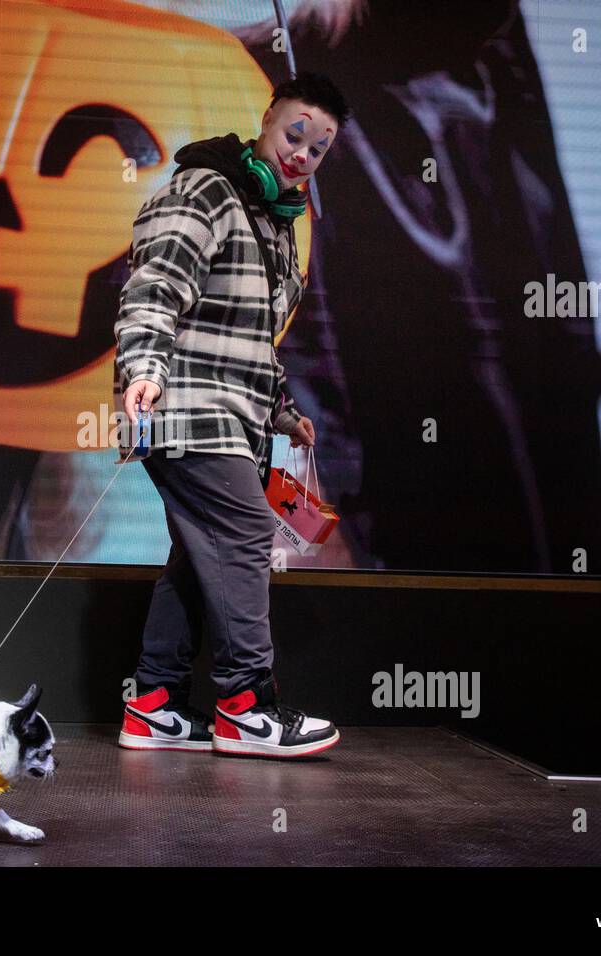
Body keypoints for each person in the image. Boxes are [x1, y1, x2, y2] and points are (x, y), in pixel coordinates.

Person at [113, 73, 348, 758]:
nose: (302, 153)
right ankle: (247, 706)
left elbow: (250, 339)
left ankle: (153, 704)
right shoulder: (206, 190)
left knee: (199, 555)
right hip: (188, 409)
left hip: (235, 417)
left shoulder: (276, 224)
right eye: (294, 134)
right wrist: (145, 369)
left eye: (319, 148)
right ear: (268, 119)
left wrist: (282, 412)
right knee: (244, 530)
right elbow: (154, 286)